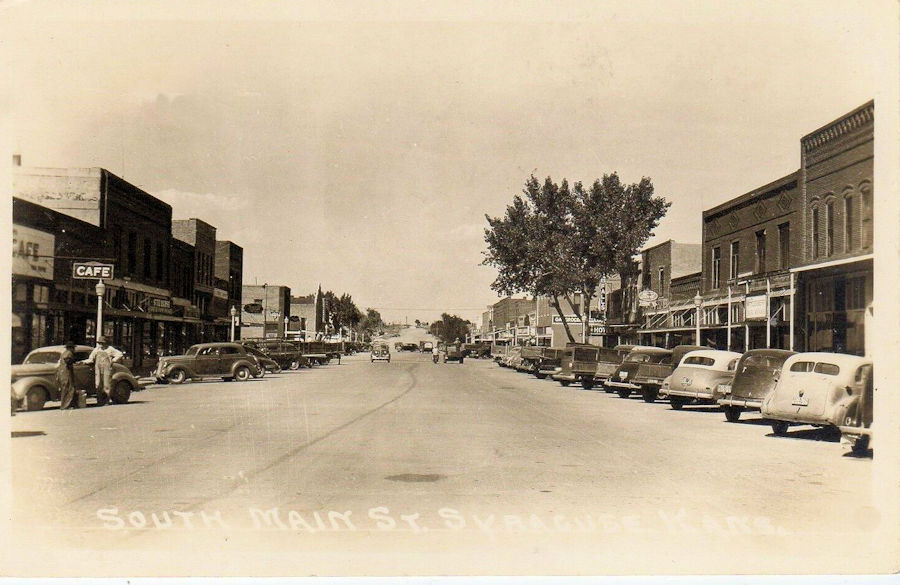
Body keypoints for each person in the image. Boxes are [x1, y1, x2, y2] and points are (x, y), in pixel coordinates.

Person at [82, 336, 124, 406]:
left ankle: (106, 401)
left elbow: (120, 354)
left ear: (105, 343)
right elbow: (91, 359)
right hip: (98, 369)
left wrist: (113, 360)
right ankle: (99, 401)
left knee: (106, 385)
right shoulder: (96, 349)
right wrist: (83, 362)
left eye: (102, 343)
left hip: (107, 368)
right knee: (98, 384)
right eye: (99, 343)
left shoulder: (110, 349)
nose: (101, 344)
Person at [57, 340, 78, 410]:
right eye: (73, 348)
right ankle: (66, 405)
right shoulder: (69, 353)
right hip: (67, 373)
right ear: (71, 348)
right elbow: (67, 360)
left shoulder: (64, 353)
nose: (74, 349)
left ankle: (65, 405)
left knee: (65, 389)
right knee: (69, 389)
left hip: (62, 372)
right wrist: (73, 361)